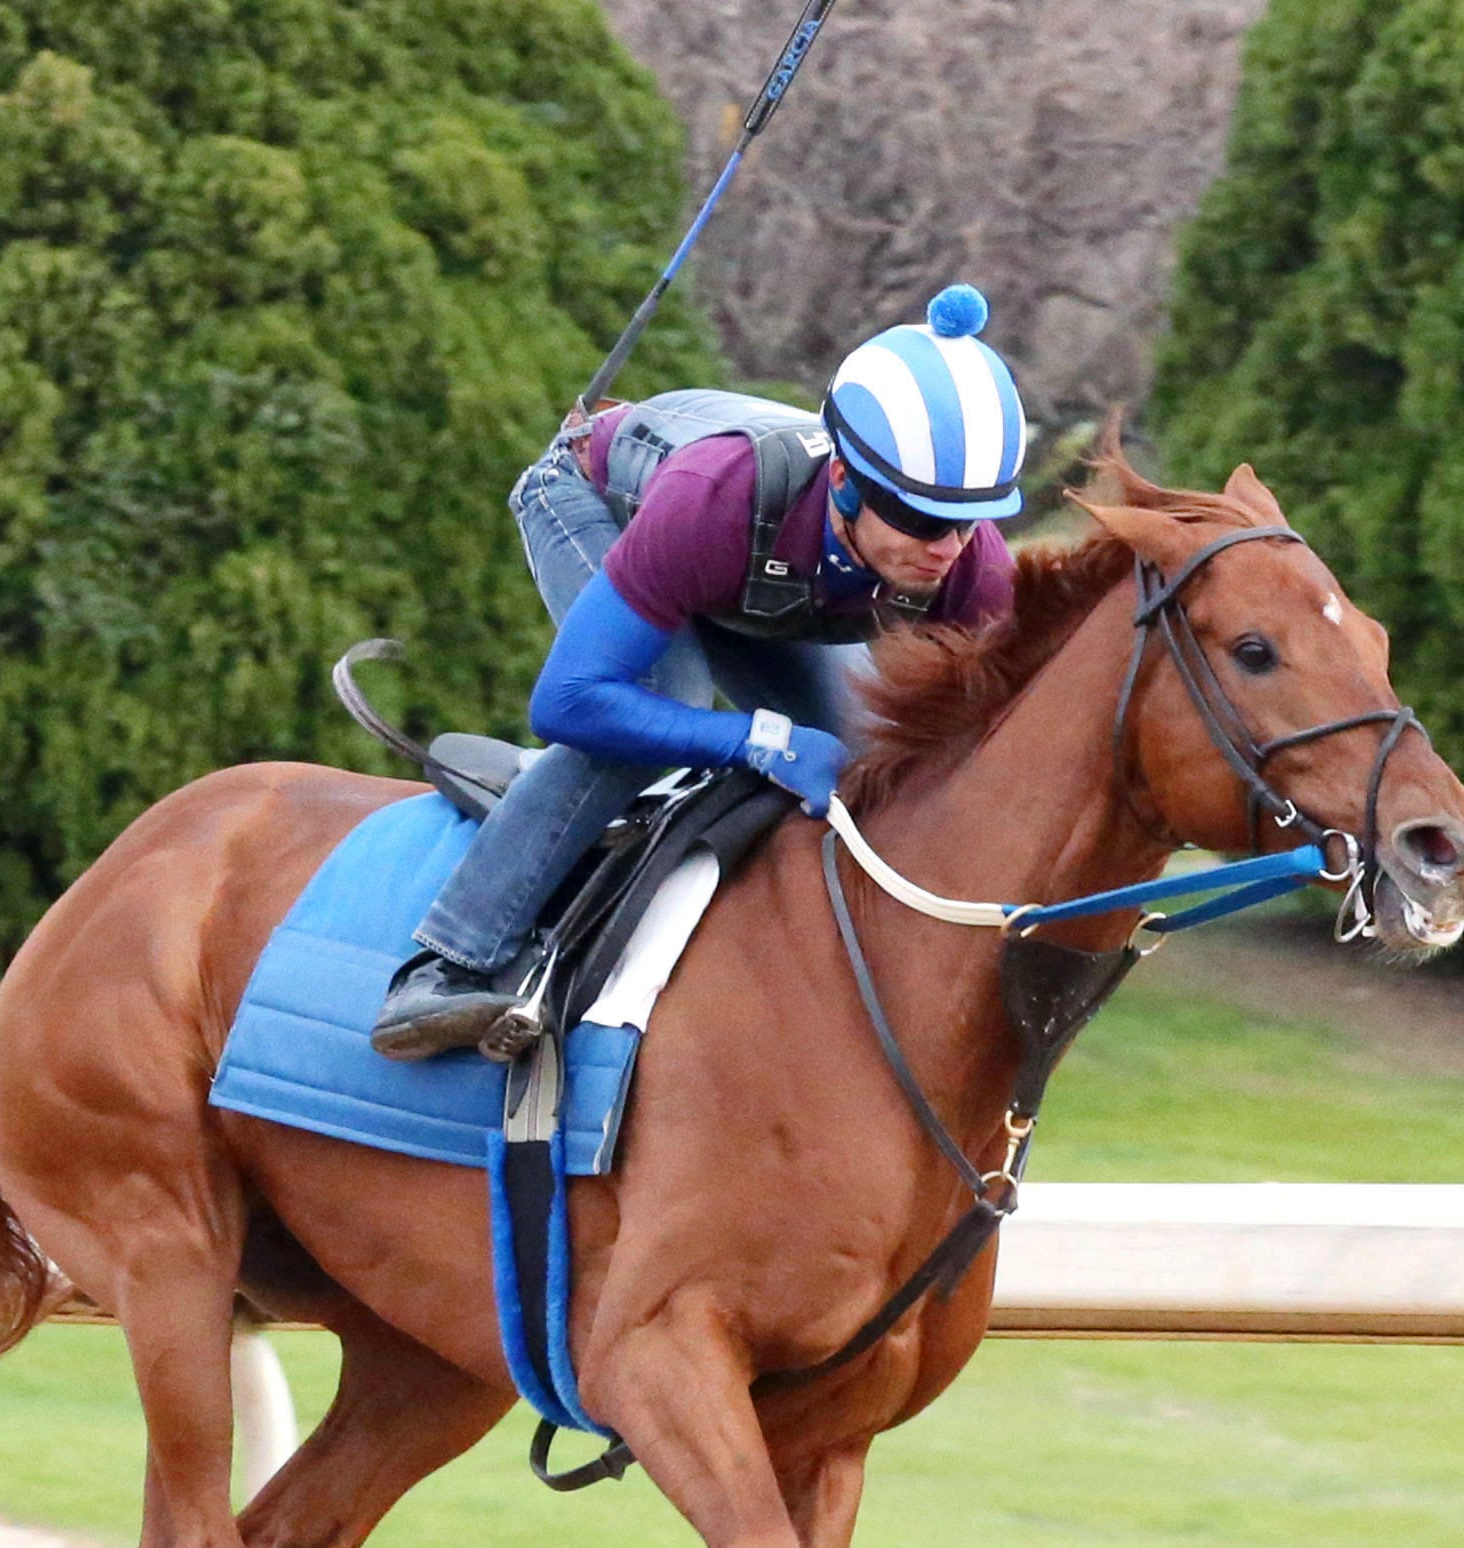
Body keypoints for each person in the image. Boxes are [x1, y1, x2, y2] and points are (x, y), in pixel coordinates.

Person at [370, 283, 1030, 1062]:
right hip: (596, 503)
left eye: (968, 522)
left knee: (869, 752)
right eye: (920, 520)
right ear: (846, 480)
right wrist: (755, 737)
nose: (946, 549)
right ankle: (448, 963)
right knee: (657, 708)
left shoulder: (970, 567)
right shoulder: (714, 500)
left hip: (752, 584)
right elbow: (569, 699)